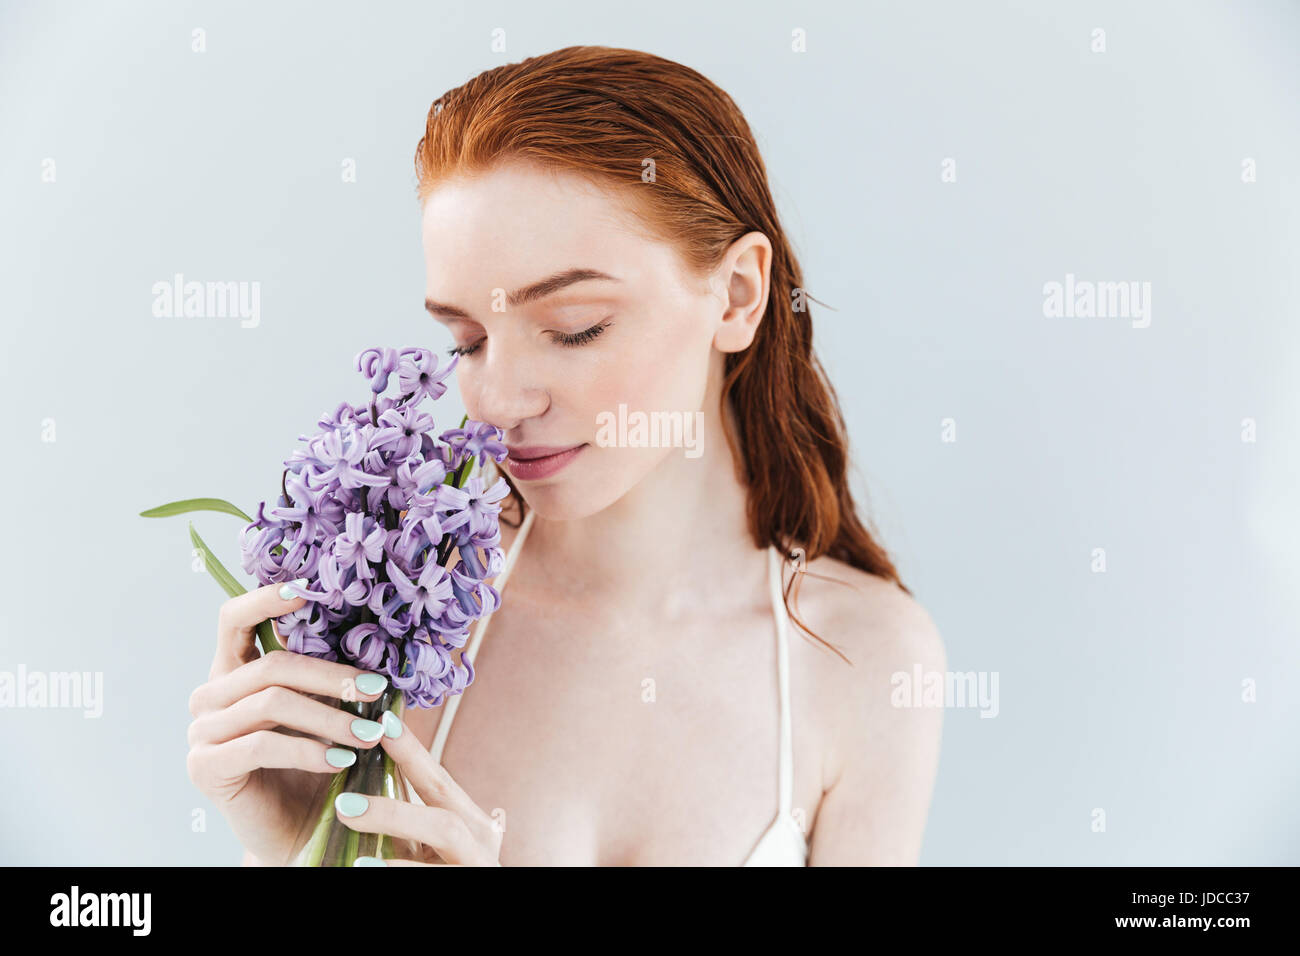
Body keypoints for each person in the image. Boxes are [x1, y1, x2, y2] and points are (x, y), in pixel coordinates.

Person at [186, 45, 946, 867]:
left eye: (575, 325)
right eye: (468, 341)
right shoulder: (398, 624)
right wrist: (303, 851)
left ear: (737, 294)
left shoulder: (865, 659)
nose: (501, 402)